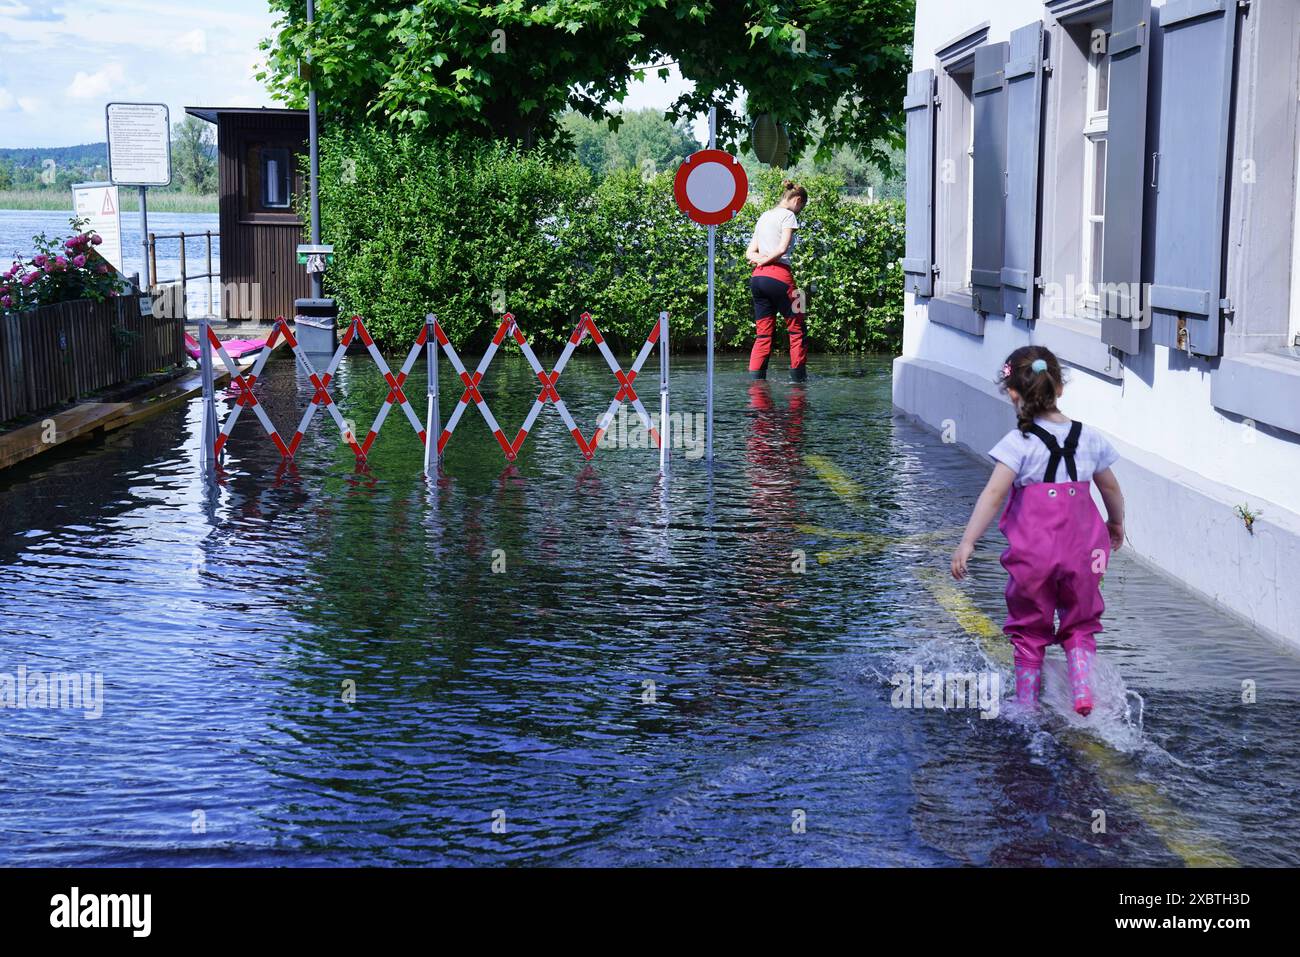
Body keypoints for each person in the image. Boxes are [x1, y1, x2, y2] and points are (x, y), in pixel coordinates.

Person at [950, 346, 1126, 717]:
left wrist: (967, 541)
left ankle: (1026, 702)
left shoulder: (1019, 443)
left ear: (1013, 393)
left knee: (1030, 626)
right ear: (1059, 388)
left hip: (1035, 556)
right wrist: (1116, 523)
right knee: (1081, 621)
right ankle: (1082, 692)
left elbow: (994, 495)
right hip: (1085, 553)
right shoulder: (1089, 438)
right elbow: (1110, 488)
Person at [745, 180, 808, 382]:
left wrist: (760, 260)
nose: (799, 212)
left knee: (763, 333)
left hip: (757, 280)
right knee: (798, 327)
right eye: (801, 208)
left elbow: (749, 252)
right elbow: (782, 249)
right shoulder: (789, 215)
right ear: (797, 200)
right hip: (781, 278)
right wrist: (767, 260)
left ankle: (756, 382)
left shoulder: (764, 216)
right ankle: (799, 381)